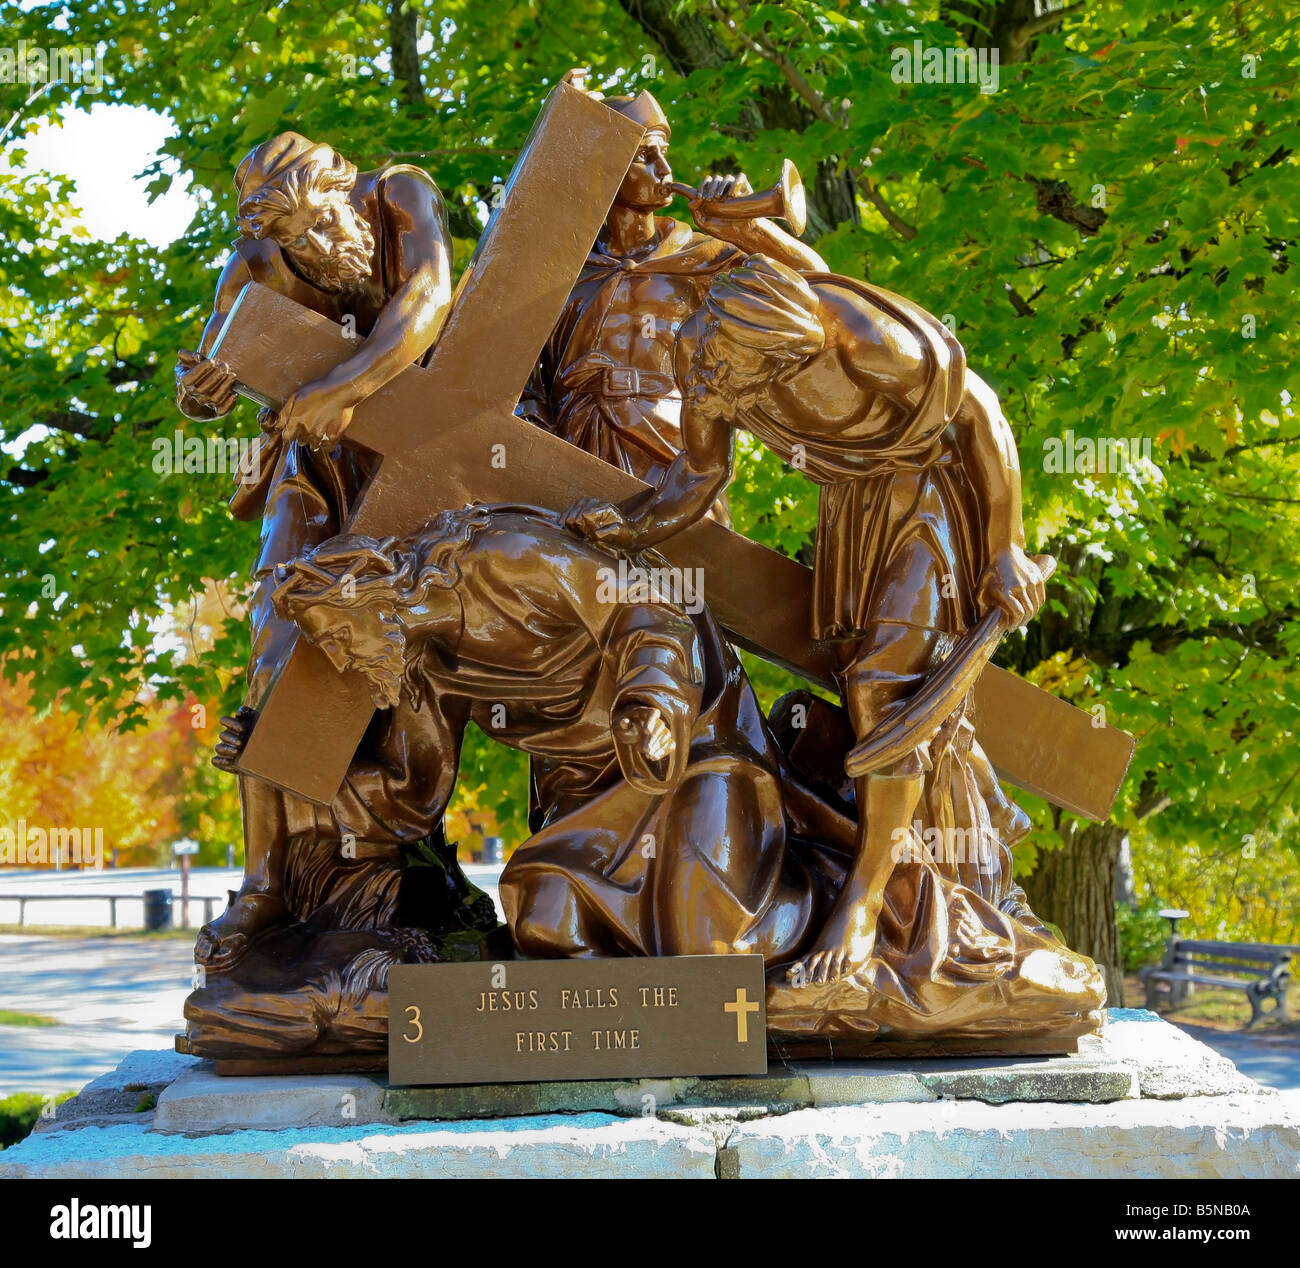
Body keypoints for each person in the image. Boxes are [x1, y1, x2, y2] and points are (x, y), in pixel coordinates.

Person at [260, 502, 1104, 1043]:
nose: (342, 657)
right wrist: (296, 783)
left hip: (694, 749)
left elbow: (646, 600)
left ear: (377, 597)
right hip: (593, 795)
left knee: (712, 946)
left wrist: (651, 701)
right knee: (548, 927)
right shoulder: (421, 664)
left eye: (341, 636)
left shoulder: (500, 555)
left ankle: (867, 909)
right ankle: (640, 1030)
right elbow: (413, 786)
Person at [564, 255, 1054, 988]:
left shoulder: (864, 341)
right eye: (711, 372)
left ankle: (861, 906)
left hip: (936, 499)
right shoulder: (707, 352)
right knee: (889, 698)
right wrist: (627, 527)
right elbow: (699, 475)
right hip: (853, 514)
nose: (712, 392)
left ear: (776, 352)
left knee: (881, 692)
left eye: (734, 379)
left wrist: (1007, 548)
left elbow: (979, 413)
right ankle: (928, 861)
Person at [175, 132, 463, 968]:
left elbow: (430, 298)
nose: (329, 249)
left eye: (330, 223)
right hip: (316, 466)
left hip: (423, 452)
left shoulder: (402, 194)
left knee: (424, 657)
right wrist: (202, 393)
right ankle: (265, 882)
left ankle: (406, 860)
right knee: (278, 648)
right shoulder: (256, 268)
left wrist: (345, 384)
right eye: (303, 240)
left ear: (347, 189)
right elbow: (203, 383)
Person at [517, 90, 826, 523]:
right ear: (604, 167)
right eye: (645, 156)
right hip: (574, 445)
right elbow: (523, 373)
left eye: (665, 154)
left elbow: (816, 288)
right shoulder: (561, 270)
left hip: (676, 447)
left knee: (689, 576)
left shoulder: (701, 257)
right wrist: (532, 433)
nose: (665, 170)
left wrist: (750, 231)